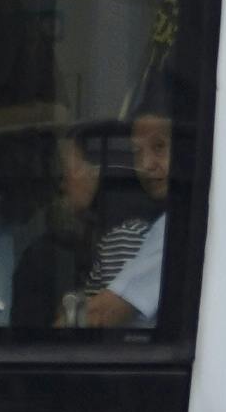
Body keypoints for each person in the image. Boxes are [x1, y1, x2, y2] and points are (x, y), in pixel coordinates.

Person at [70, 101, 177, 335]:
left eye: (159, 147)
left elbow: (99, 316)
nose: (146, 165)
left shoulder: (176, 230)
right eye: (137, 153)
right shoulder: (135, 233)